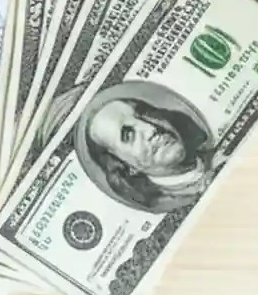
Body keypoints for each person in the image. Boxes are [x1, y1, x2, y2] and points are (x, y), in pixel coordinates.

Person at [80, 90, 216, 213]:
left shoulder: (214, 148)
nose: (151, 129)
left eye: (143, 115)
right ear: (126, 167)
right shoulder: (171, 206)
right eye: (128, 135)